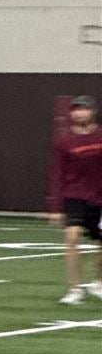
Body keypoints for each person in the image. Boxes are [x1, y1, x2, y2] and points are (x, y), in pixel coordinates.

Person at [48, 94, 102, 305]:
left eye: (84, 109)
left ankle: (98, 283)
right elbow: (57, 173)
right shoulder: (65, 142)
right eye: (76, 109)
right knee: (72, 236)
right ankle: (75, 289)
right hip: (75, 196)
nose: (80, 113)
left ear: (93, 112)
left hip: (99, 198)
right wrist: (55, 207)